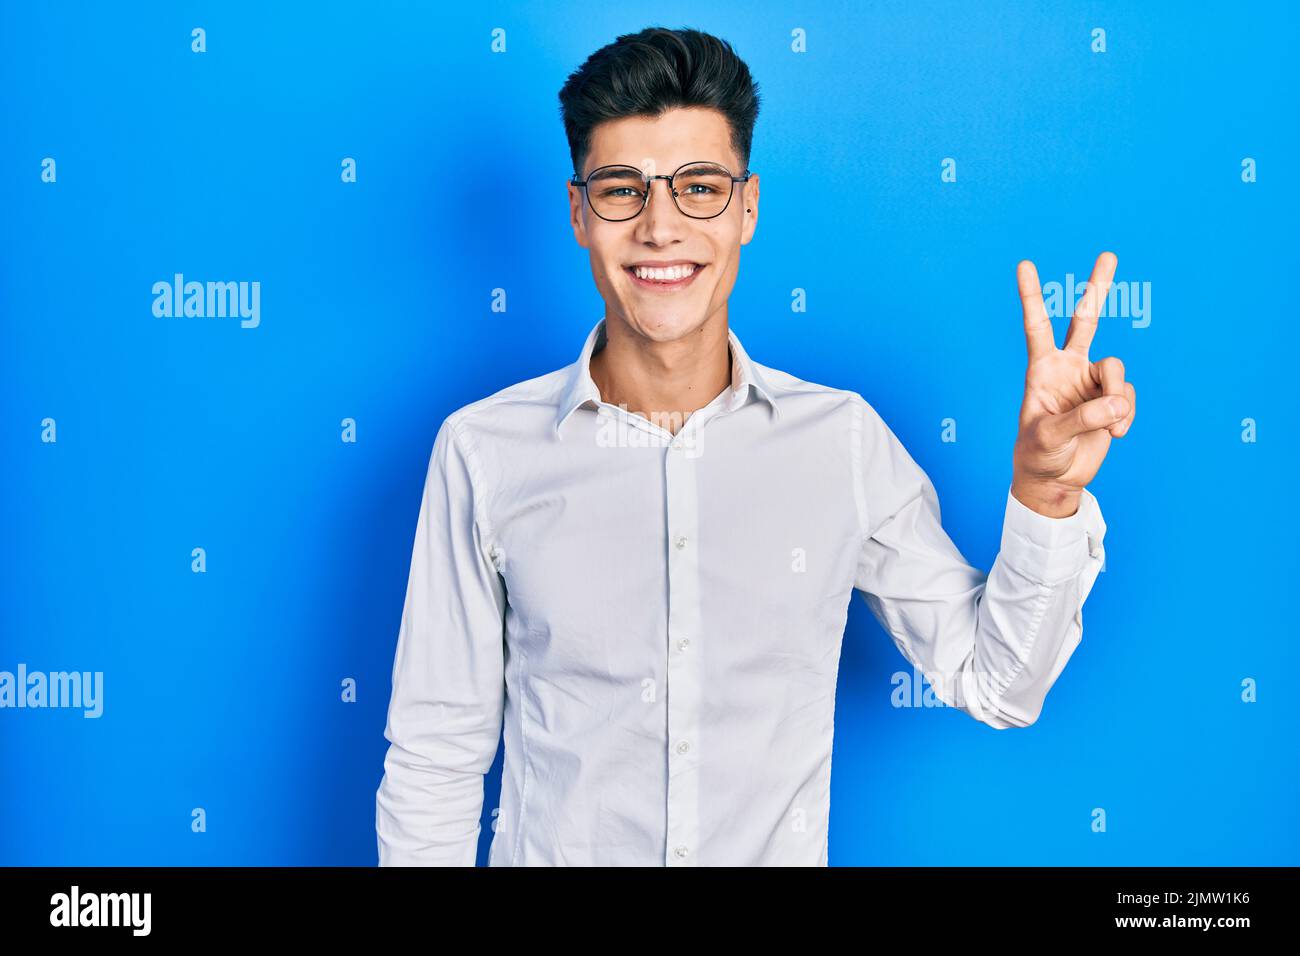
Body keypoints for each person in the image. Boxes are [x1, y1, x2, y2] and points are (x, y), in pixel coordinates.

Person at [375, 26, 1135, 867]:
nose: (661, 227)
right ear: (580, 213)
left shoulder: (841, 441)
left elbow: (998, 684)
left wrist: (1045, 494)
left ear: (747, 208)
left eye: (699, 186)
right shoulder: (484, 451)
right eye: (622, 189)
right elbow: (435, 759)